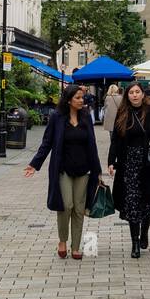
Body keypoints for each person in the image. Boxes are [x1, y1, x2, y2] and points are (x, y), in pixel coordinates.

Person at [24, 83, 102, 259]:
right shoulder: (57, 117)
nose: (82, 101)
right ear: (68, 100)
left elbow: (93, 145)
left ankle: (75, 247)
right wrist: (34, 164)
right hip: (63, 169)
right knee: (66, 205)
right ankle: (62, 240)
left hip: (83, 169)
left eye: (82, 97)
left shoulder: (86, 117)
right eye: (78, 98)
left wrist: (97, 170)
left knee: (79, 208)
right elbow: (47, 143)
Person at [107, 82, 150, 258]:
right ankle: (135, 242)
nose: (135, 95)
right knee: (132, 202)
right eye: (131, 92)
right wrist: (111, 161)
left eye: (137, 92)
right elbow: (115, 139)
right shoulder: (122, 113)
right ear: (127, 95)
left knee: (147, 201)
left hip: (149, 164)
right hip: (128, 163)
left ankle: (144, 231)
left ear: (143, 94)